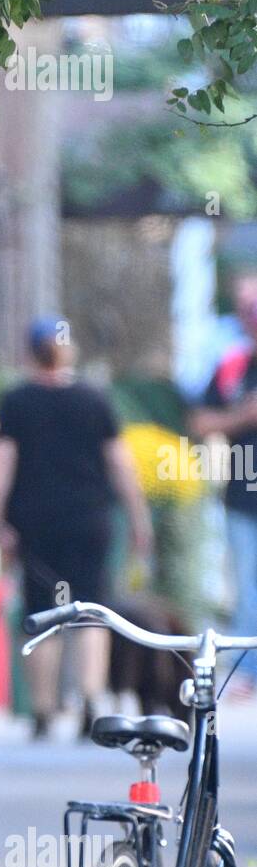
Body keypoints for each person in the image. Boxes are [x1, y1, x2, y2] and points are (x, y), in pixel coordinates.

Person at [0, 319, 152, 739]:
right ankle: (91, 701)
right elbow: (120, 464)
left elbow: (4, 464)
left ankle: (43, 711)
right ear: (68, 351)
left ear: (30, 352)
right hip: (90, 521)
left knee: (42, 610)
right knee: (92, 610)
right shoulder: (94, 399)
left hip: (36, 524)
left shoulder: (18, 401)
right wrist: (138, 518)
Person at [189, 273, 257, 698]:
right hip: (242, 494)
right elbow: (199, 422)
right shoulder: (233, 365)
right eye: (244, 308)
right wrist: (242, 418)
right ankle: (248, 670)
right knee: (247, 584)